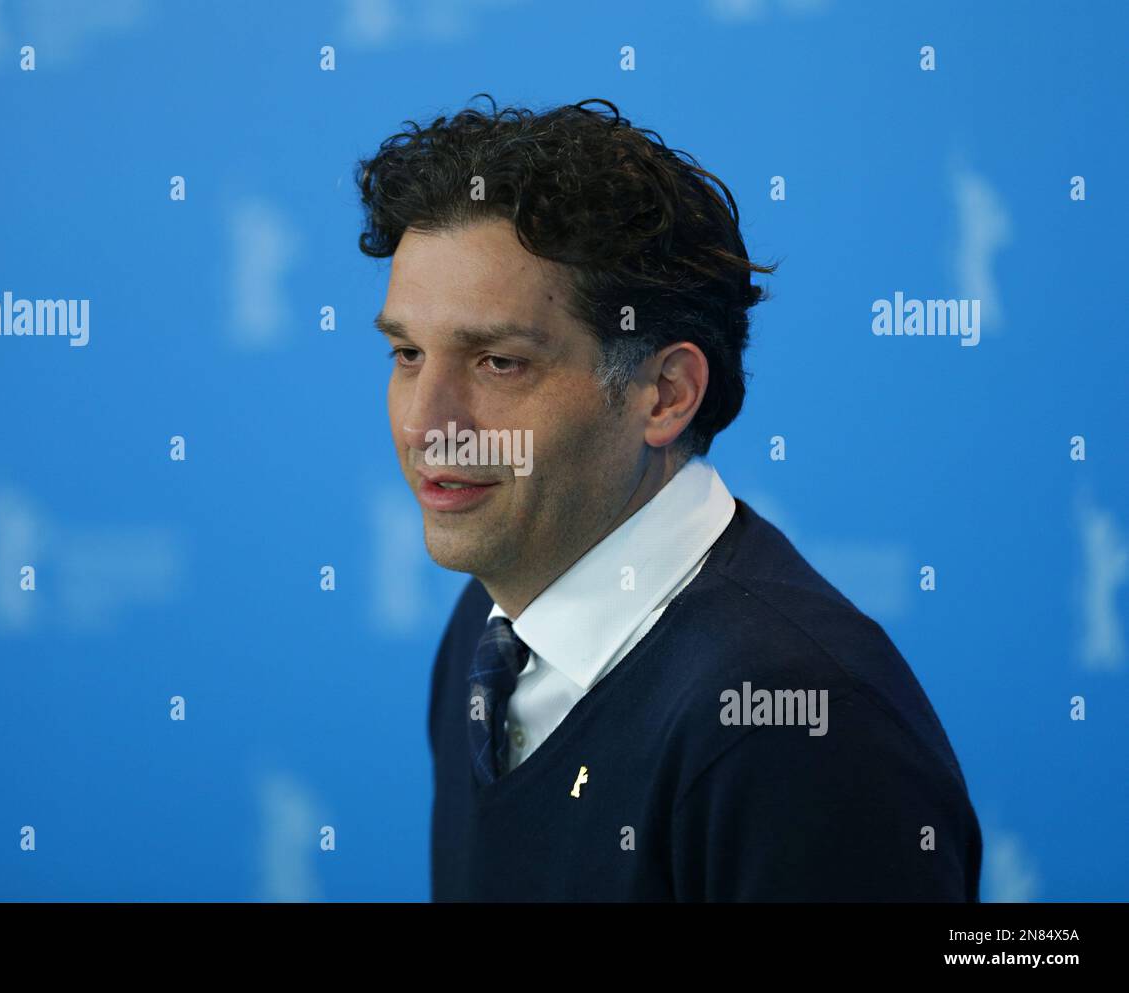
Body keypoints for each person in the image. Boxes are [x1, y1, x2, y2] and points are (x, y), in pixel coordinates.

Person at [355, 95, 982, 901]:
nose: (425, 424)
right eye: (407, 352)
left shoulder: (797, 725)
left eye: (498, 363)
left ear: (665, 393)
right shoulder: (486, 632)